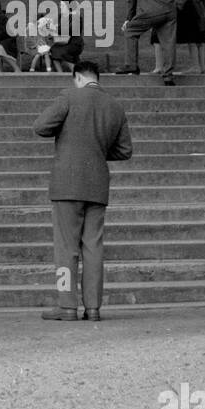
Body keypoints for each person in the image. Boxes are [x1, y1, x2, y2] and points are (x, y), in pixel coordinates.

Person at [32, 60, 133, 321]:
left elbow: (41, 126)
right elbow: (124, 151)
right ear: (96, 78)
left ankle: (67, 306)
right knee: (93, 247)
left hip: (67, 183)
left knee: (66, 248)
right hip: (98, 183)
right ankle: (93, 307)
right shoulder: (115, 106)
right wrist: (96, 150)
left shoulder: (69, 96)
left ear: (77, 76)